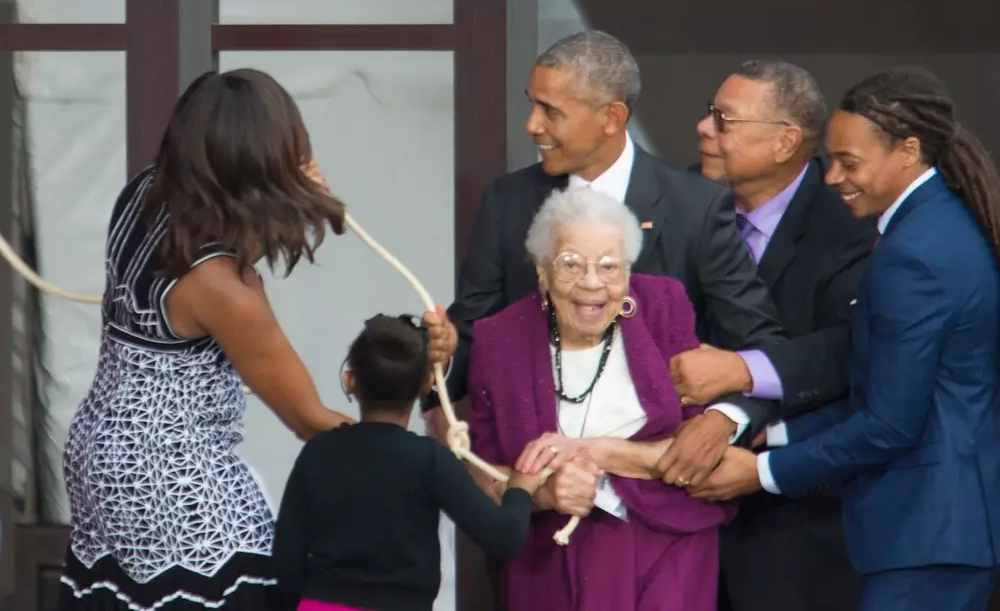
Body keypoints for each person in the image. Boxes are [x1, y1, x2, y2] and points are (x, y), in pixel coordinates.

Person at [57, 69, 454, 611]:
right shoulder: (224, 288)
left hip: (95, 456)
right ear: (259, 164)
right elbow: (307, 419)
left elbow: (225, 241)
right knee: (247, 585)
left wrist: (295, 202)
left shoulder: (144, 191)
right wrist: (403, 452)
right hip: (172, 475)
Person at [691, 67, 1000, 611]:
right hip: (934, 530)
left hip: (926, 527)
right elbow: (886, 392)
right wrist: (777, 436)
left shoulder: (914, 253)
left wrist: (762, 473)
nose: (832, 177)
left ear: (907, 151)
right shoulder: (933, 225)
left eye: (849, 162)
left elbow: (890, 424)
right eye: (832, 160)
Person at [431, 30, 793, 492]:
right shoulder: (508, 202)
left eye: (551, 111)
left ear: (612, 117)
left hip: (660, 488)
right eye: (532, 104)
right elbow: (469, 336)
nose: (532, 125)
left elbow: (761, 344)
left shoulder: (693, 208)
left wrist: (725, 418)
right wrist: (421, 360)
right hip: (537, 488)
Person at [467, 186, 737, 611]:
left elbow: (701, 444)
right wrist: (544, 494)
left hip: (666, 535)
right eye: (571, 264)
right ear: (542, 270)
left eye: (610, 266)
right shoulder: (498, 339)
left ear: (628, 270)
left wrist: (598, 451)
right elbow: (481, 473)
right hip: (549, 551)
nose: (592, 283)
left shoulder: (662, 306)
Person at [694, 60, 875, 611]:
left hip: (795, 524)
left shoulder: (852, 223)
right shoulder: (679, 204)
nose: (703, 128)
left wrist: (740, 381)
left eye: (723, 120)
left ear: (784, 142)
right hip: (677, 512)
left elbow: (850, 353)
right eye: (709, 113)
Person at [272, 314, 540, 611]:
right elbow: (503, 538)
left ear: (350, 381)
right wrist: (521, 487)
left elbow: (286, 555)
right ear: (426, 384)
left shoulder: (318, 451)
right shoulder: (429, 460)